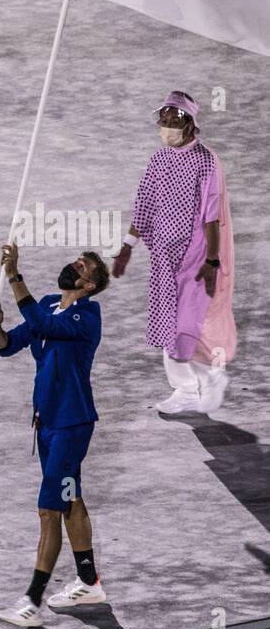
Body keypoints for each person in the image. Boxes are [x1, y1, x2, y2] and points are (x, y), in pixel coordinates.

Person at [0, 245, 111, 627]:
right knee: (70, 497)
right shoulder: (52, 305)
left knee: (49, 508)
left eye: (81, 266)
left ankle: (31, 601)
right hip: (47, 424)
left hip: (72, 425)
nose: (73, 266)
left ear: (88, 284)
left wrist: (13, 275)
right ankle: (89, 582)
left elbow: (45, 325)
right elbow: (9, 347)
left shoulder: (88, 314)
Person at [111, 91, 236, 413]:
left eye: (173, 122)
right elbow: (145, 203)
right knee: (167, 320)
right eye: (162, 122)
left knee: (190, 321)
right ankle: (183, 389)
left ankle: (211, 378)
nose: (166, 128)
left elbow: (211, 215)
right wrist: (127, 246)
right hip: (163, 256)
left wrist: (211, 260)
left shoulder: (206, 161)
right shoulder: (159, 159)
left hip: (195, 256)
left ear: (191, 124)